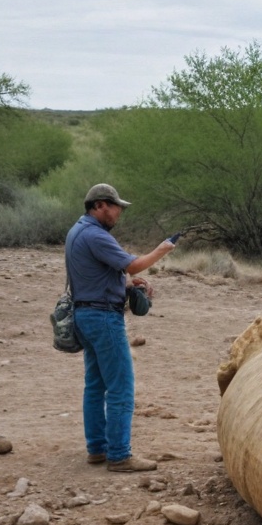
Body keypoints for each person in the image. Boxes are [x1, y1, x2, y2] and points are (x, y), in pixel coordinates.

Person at [64, 183, 175, 472]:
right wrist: (164, 248)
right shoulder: (96, 235)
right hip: (103, 318)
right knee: (121, 387)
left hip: (85, 315)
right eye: (116, 208)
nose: (118, 214)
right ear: (100, 205)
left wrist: (123, 285)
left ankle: (97, 449)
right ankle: (120, 455)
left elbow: (96, 274)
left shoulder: (77, 230)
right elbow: (135, 265)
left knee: (96, 384)